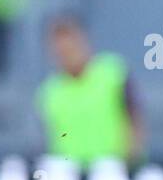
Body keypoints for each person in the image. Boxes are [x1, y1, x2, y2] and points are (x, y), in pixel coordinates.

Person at [37, 16, 143, 166]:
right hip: (68, 172)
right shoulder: (49, 91)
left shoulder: (113, 73)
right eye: (61, 51)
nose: (67, 54)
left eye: (71, 47)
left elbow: (135, 118)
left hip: (112, 169)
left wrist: (130, 161)